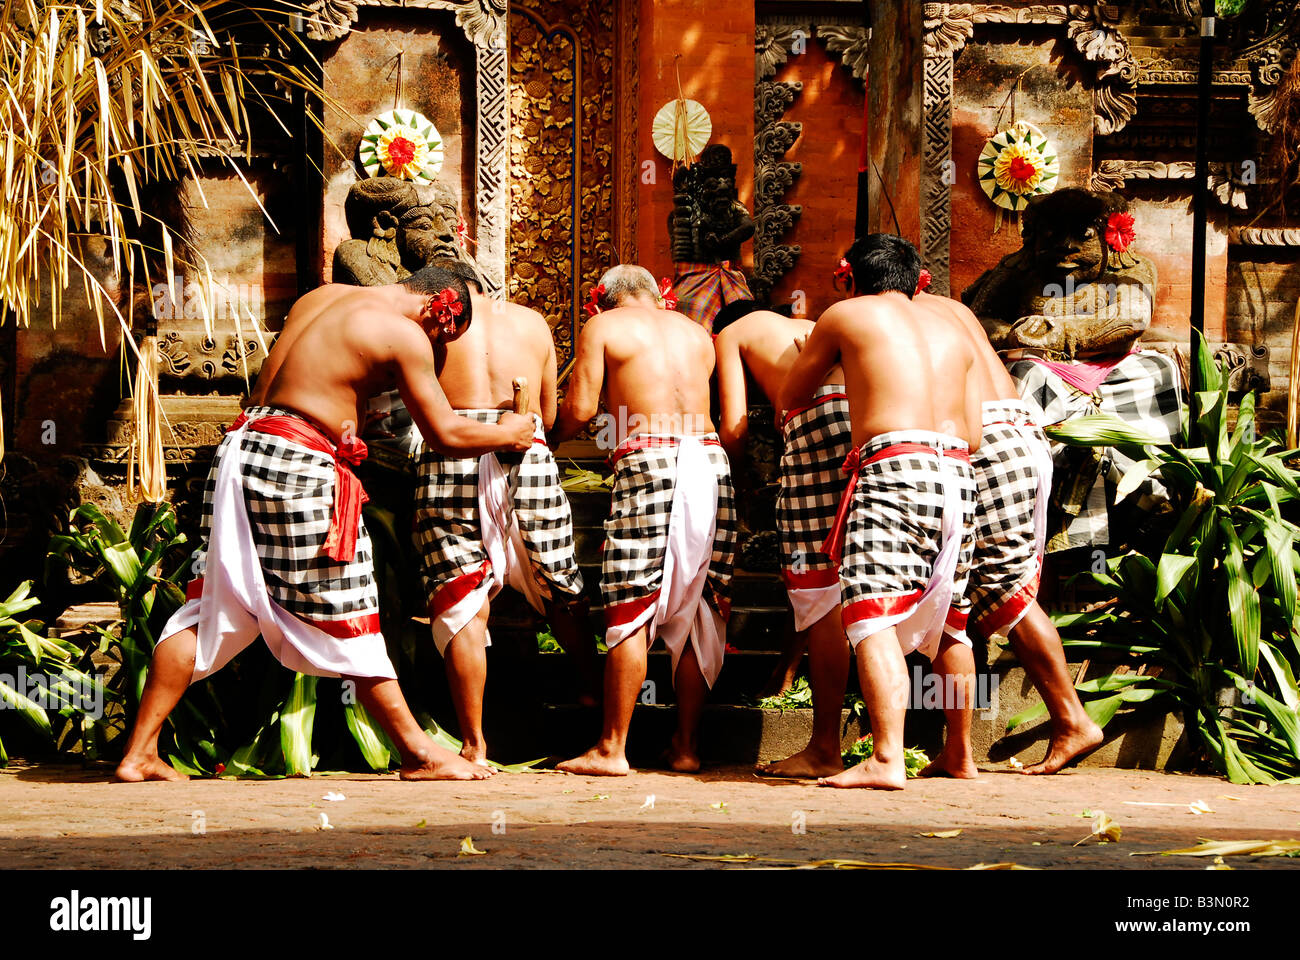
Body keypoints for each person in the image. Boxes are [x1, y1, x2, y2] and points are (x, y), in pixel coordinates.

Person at [115, 265, 535, 783]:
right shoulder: (404, 333)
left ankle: (139, 752)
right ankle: (419, 753)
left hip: (245, 448)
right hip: (297, 463)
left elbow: (290, 384)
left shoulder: (325, 297)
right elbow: (445, 433)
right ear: (436, 307)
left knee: (215, 606)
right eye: (441, 337)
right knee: (351, 608)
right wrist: (509, 433)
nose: (434, 349)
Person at [780, 235, 981, 790]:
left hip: (894, 467)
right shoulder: (953, 330)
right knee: (951, 621)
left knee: (870, 612)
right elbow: (975, 435)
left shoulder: (846, 315)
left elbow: (792, 397)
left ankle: (887, 757)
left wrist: (829, 361)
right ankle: (959, 754)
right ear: (916, 280)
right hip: (957, 471)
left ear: (850, 277)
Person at [552, 264, 736, 775]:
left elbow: (581, 409)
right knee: (702, 605)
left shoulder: (603, 326)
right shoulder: (697, 333)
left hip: (651, 459)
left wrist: (548, 436)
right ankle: (686, 746)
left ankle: (612, 748)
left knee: (631, 601)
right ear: (659, 296)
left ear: (602, 299)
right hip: (710, 459)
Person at [413, 263, 596, 766]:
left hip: (453, 446)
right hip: (526, 445)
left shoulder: (433, 322)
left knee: (462, 599)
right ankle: (595, 696)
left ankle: (474, 744)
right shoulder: (531, 321)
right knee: (560, 584)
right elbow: (550, 416)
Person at [915, 288, 1103, 774]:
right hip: (1016, 433)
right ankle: (958, 748)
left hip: (986, 442)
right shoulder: (947, 307)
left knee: (1003, 591)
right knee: (982, 590)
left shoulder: (899, 313)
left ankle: (1072, 719)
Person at [713, 301, 852, 779]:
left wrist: (733, 475)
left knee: (816, 583)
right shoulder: (813, 325)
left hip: (815, 424)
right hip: (870, 421)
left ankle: (825, 746)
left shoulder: (733, 333)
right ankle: (792, 674)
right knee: (844, 580)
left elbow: (734, 427)